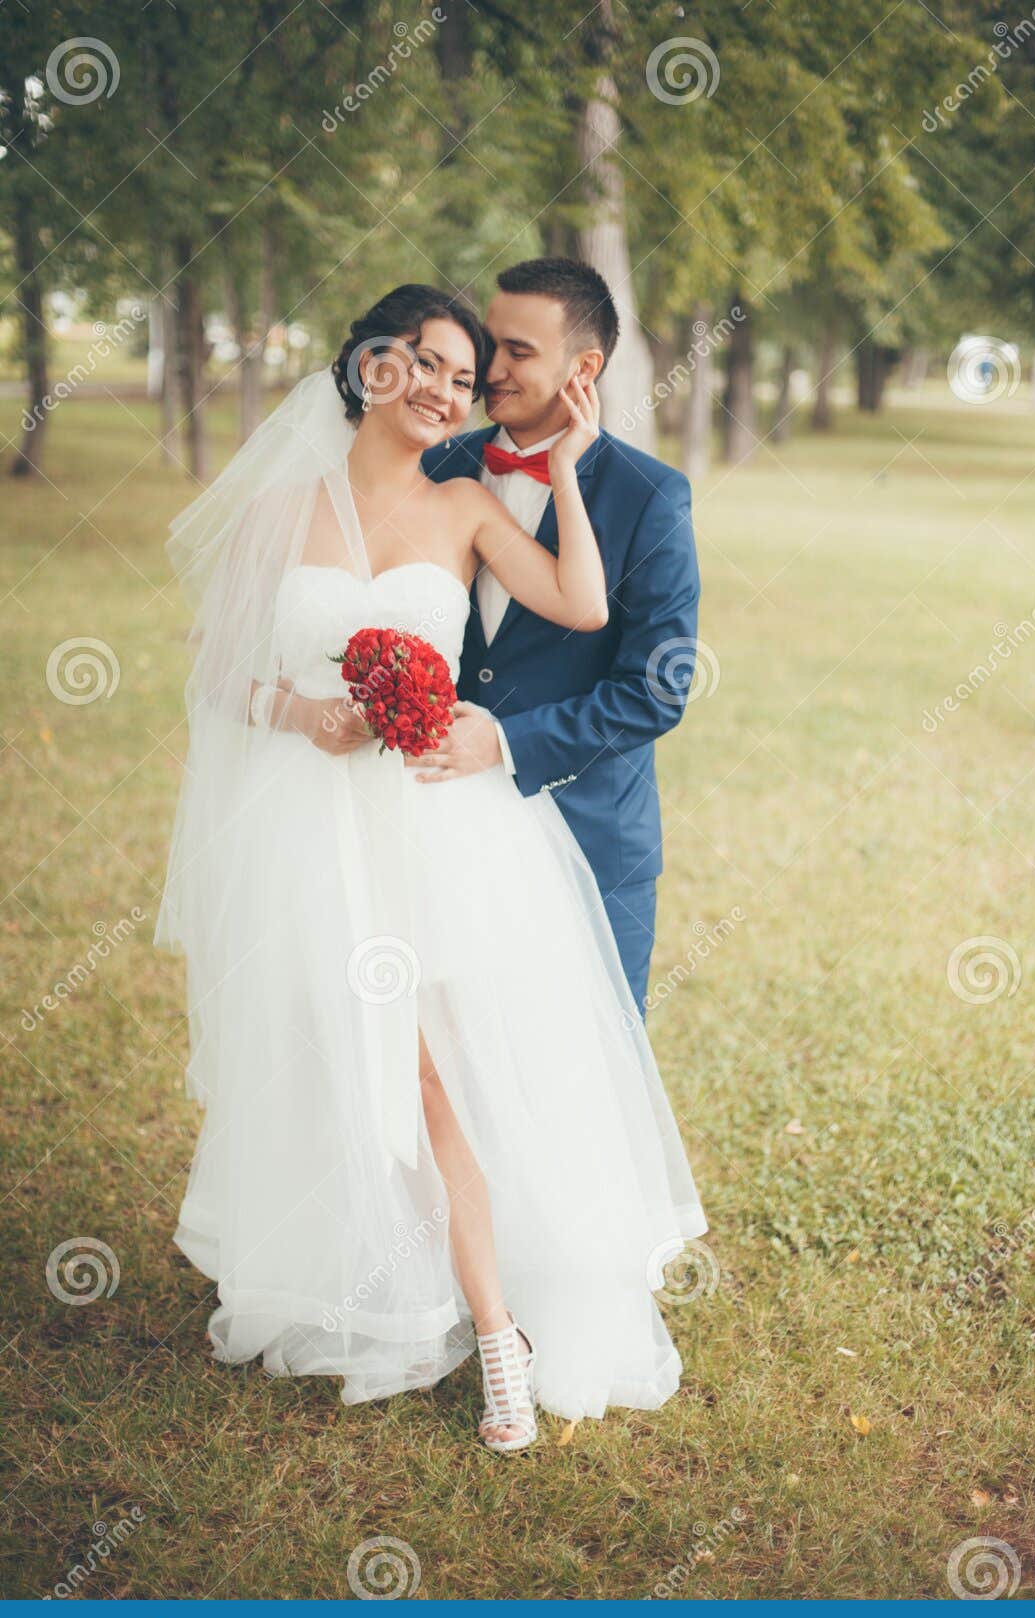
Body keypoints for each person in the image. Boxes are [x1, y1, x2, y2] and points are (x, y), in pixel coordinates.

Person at [155, 284, 706, 1454]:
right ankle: (377, 1282)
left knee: (439, 1070)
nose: (459, 389)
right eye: (434, 365)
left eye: (470, 372)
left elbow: (586, 606)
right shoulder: (283, 508)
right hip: (311, 829)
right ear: (371, 365)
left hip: (439, 823)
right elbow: (214, 669)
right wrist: (303, 713)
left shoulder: (466, 501)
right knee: (347, 1061)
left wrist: (568, 469)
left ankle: (499, 1329)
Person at [422, 258, 701, 1011]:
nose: (491, 369)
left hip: (590, 838)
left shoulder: (650, 497)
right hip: (441, 823)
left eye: (518, 352)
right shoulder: (436, 467)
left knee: (589, 1063)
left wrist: (503, 743)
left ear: (584, 368)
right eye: (489, 345)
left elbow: (656, 691)